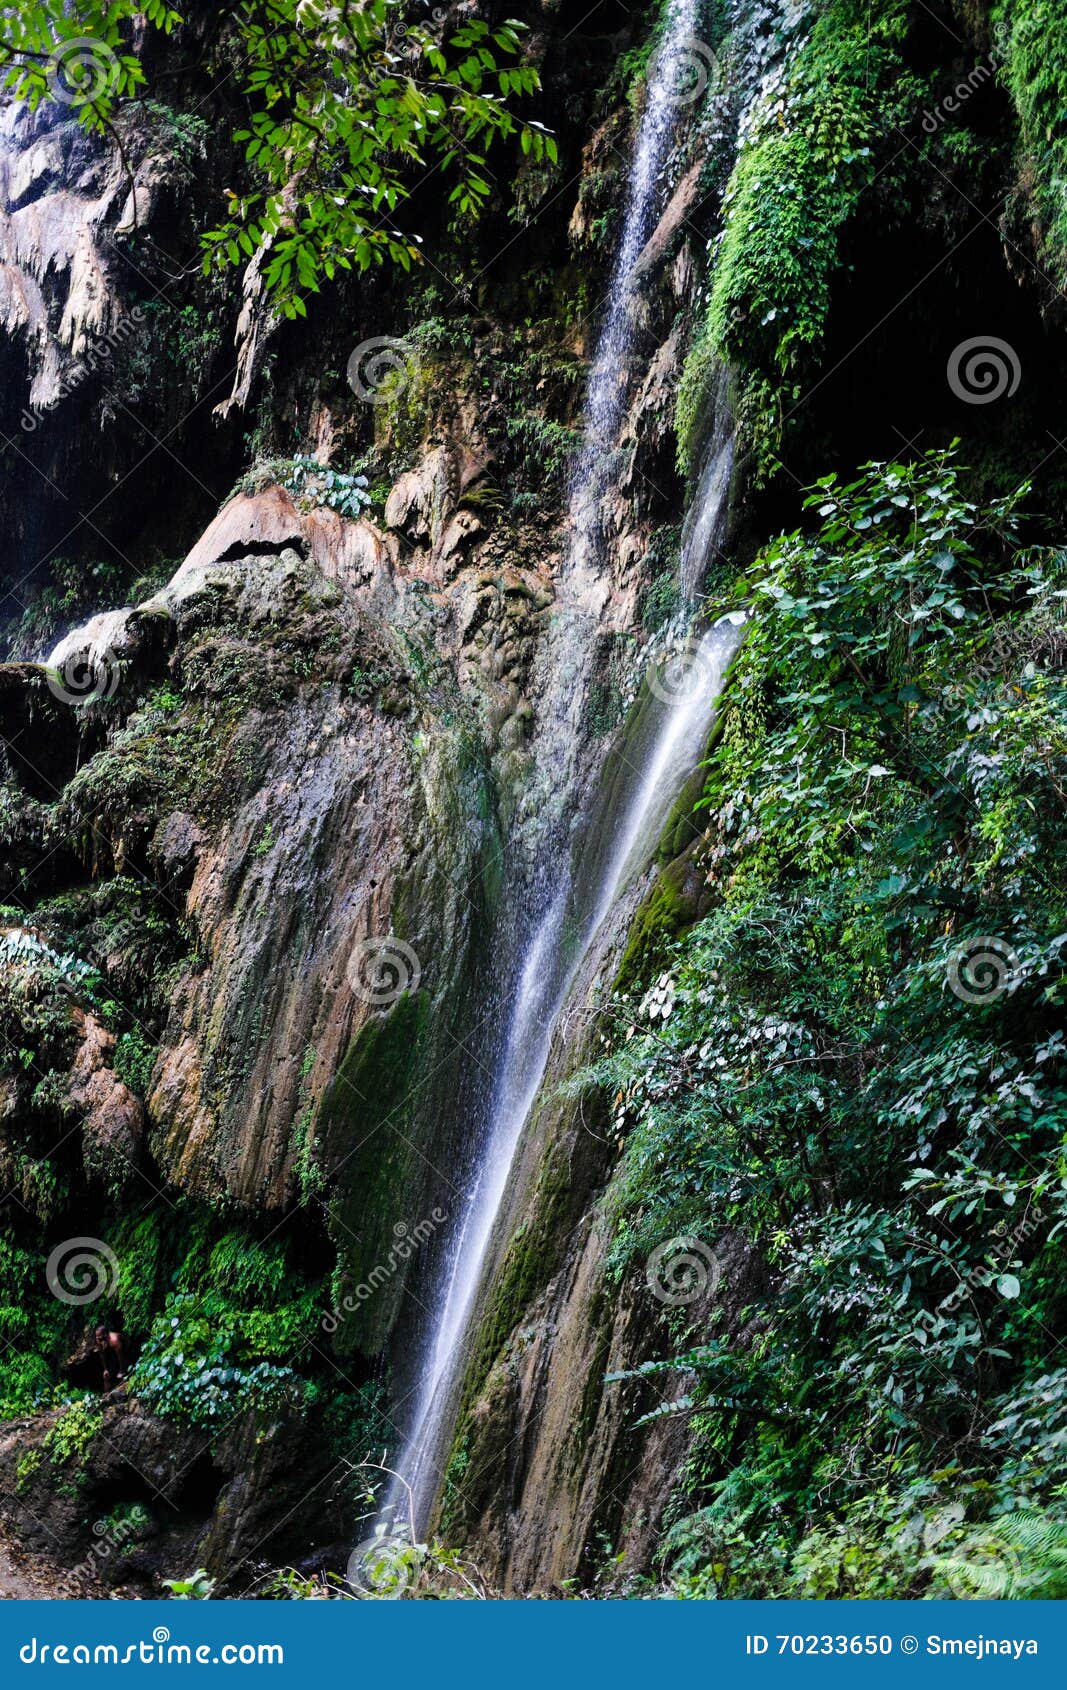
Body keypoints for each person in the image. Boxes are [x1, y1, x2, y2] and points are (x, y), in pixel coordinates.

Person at [94, 1325, 126, 1390]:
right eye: (96, 1336)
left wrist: (121, 1371)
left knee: (121, 1372)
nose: (97, 1338)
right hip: (112, 1352)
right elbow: (102, 1355)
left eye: (99, 1336)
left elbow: (121, 1356)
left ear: (105, 1335)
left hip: (125, 1350)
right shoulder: (99, 1339)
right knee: (106, 1375)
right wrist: (105, 1369)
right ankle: (107, 1392)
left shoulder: (114, 1340)